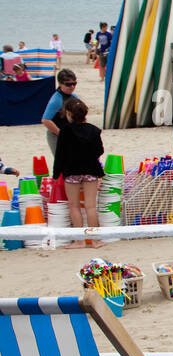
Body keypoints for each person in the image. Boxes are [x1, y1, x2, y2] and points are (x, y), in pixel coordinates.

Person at [51, 97, 105, 249]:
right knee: (91, 207)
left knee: (74, 206)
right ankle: (95, 240)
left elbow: (59, 155)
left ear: (68, 113)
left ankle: (80, 241)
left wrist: (56, 175)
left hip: (71, 171)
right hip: (90, 171)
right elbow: (99, 151)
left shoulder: (65, 132)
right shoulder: (94, 130)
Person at [41, 68, 79, 157]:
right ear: (60, 84)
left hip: (71, 134)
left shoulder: (74, 96)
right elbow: (45, 120)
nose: (72, 86)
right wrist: (61, 134)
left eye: (74, 83)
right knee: (62, 161)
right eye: (68, 84)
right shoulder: (56, 100)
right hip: (56, 135)